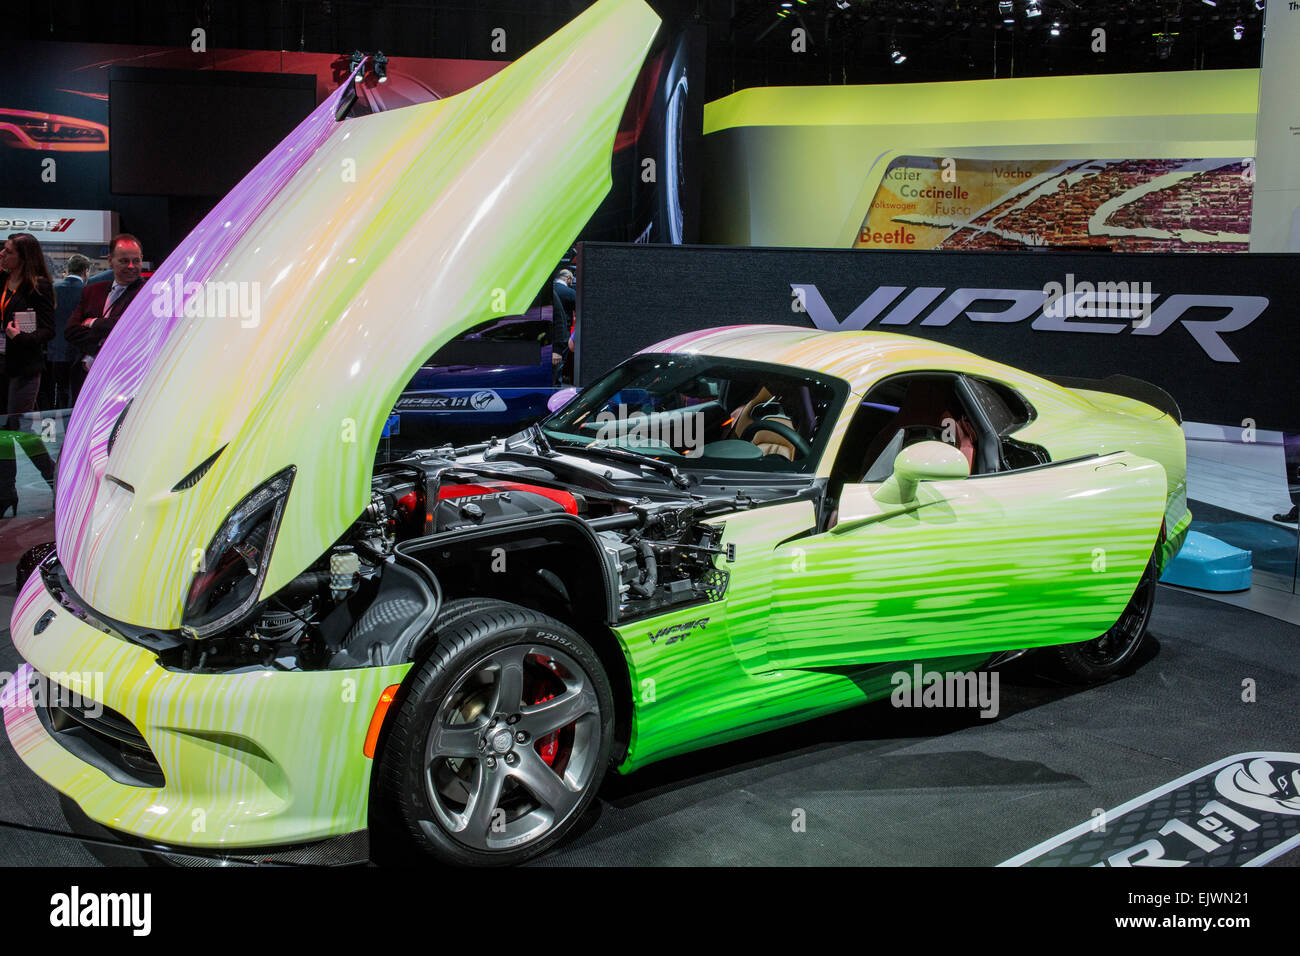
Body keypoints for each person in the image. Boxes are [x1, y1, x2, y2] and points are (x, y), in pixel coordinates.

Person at [0, 232, 57, 515]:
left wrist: (19, 338)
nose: (2, 254)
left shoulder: (38, 286)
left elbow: (48, 330)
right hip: (2, 368)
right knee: (4, 429)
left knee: (19, 428)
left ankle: (54, 478)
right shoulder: (3, 282)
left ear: (23, 258)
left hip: (24, 368)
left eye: (8, 251)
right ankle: (6, 490)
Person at [66, 234, 145, 401]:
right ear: (110, 260)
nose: (131, 266)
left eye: (136, 261)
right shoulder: (92, 291)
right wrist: (104, 335)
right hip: (85, 378)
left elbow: (129, 327)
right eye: (124, 261)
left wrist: (93, 323)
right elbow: (71, 330)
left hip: (124, 380)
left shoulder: (148, 293)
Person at [45, 253, 89, 409]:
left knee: (57, 398)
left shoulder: (53, 289)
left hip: (55, 352)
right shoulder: (87, 291)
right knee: (78, 397)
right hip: (79, 353)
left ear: (68, 269)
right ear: (85, 271)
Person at [551, 268, 576, 385]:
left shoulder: (549, 290)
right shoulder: (570, 293)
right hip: (562, 332)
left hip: (547, 333)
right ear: (568, 278)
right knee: (559, 366)